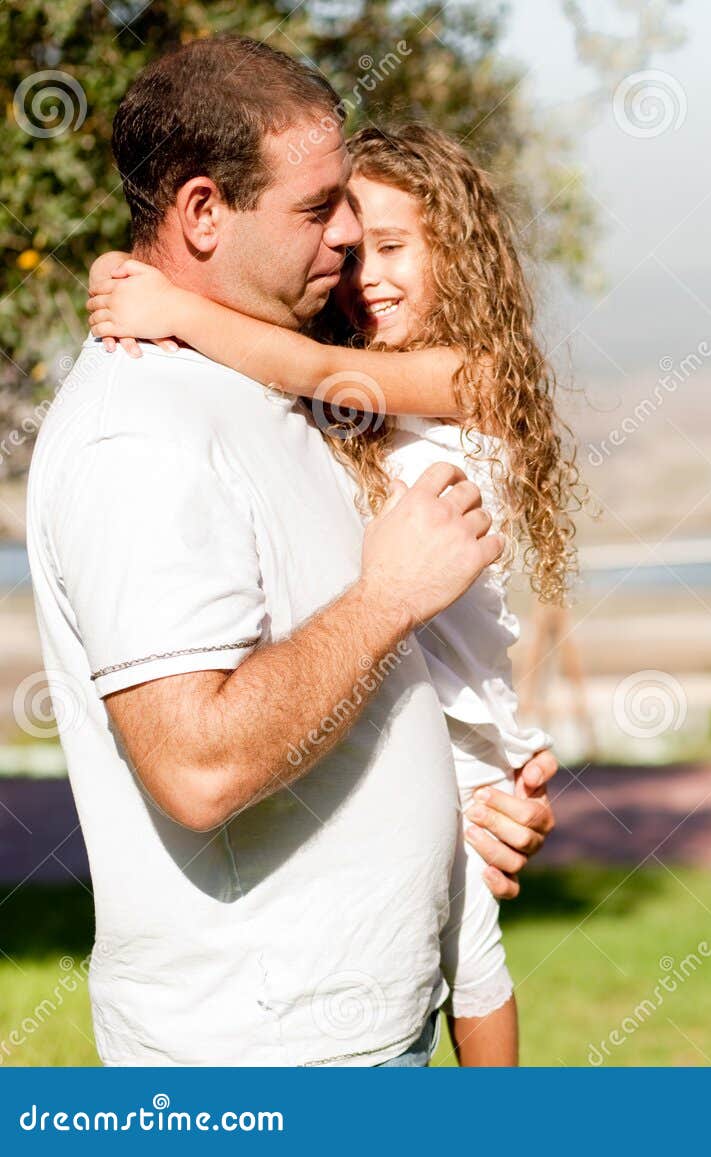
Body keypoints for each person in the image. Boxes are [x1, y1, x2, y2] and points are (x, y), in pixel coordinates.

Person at [27, 35, 549, 1066]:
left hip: (363, 1037)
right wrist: (387, 596)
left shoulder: (280, 388)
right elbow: (201, 764)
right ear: (203, 212)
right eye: (319, 209)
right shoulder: (140, 431)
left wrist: (462, 795)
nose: (348, 237)